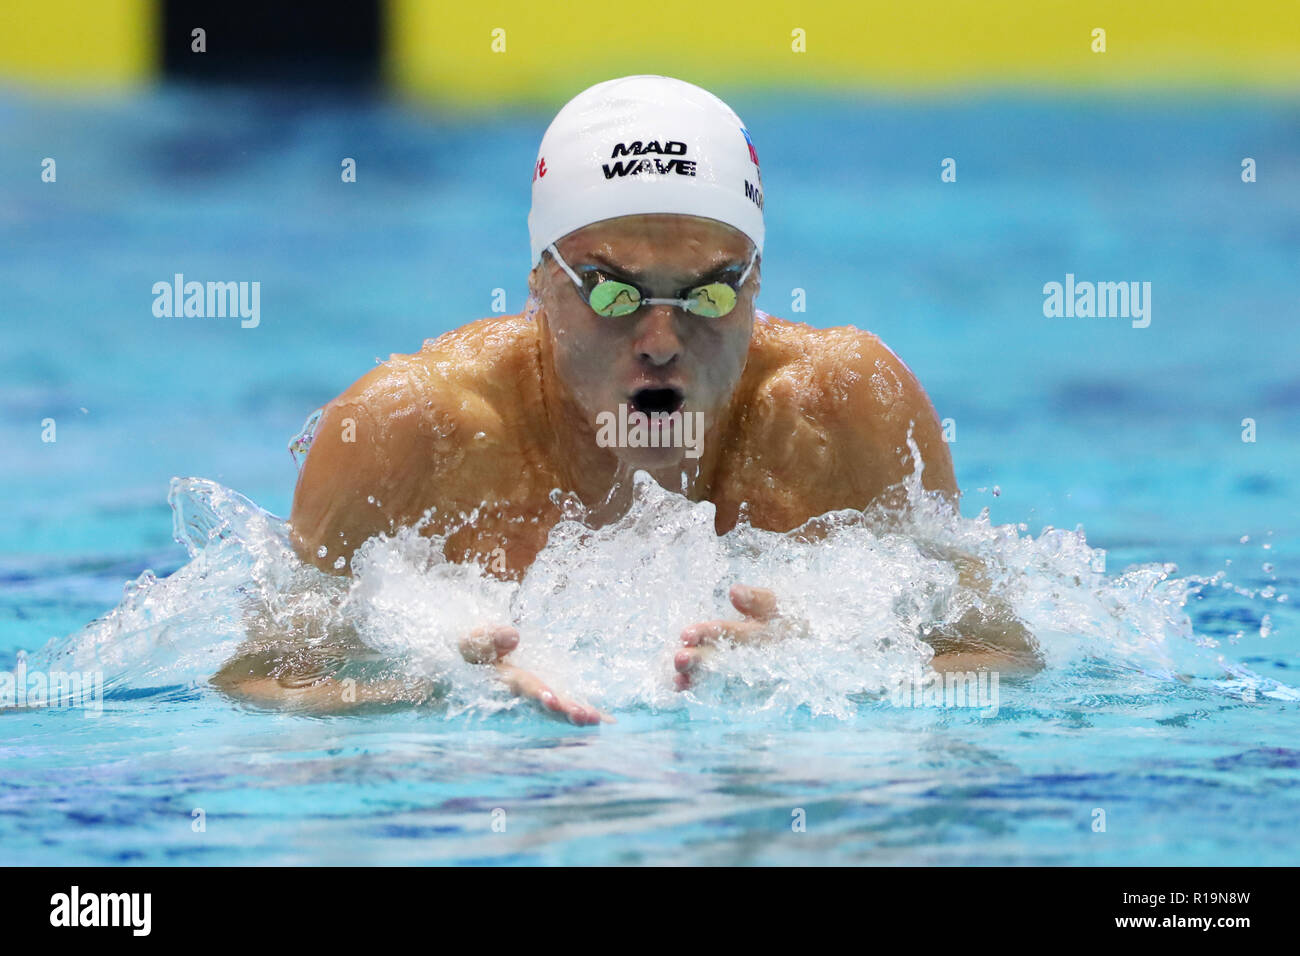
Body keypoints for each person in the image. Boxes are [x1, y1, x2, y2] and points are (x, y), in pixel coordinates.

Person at [215, 75, 1038, 722]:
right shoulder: (406, 428)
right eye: (613, 292)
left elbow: (1001, 657)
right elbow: (258, 680)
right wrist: (426, 693)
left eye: (711, 293)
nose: (660, 339)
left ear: (757, 281)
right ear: (540, 279)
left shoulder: (845, 405)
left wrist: (846, 662)